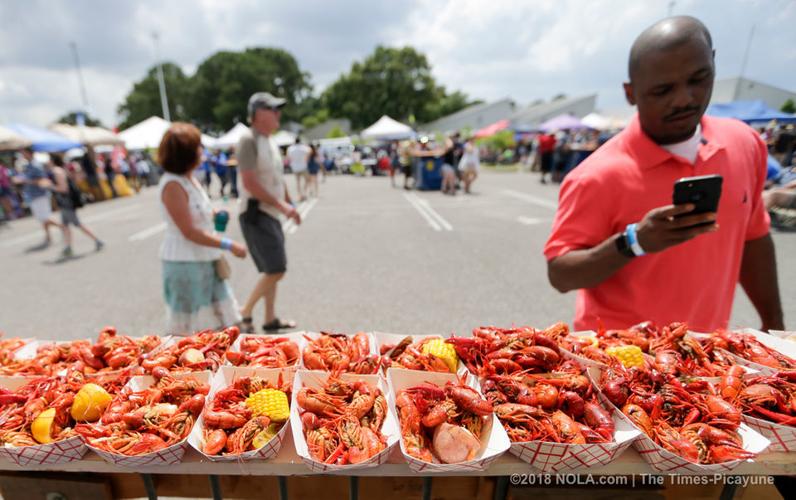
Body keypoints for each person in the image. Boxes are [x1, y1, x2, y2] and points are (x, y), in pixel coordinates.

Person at [544, 16, 784, 334]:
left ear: (713, 63)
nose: (684, 98)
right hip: (621, 360)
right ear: (631, 93)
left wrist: (774, 323)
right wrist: (635, 241)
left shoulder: (745, 143)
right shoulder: (596, 175)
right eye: (663, 90)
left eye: (698, 79)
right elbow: (561, 274)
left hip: (709, 353)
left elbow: (754, 237)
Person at [157, 123, 247, 335]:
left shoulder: (189, 178)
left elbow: (196, 212)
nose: (201, 151)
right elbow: (189, 231)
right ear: (186, 153)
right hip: (185, 261)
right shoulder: (172, 185)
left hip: (204, 259)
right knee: (193, 331)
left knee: (220, 325)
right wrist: (229, 244)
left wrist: (214, 213)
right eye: (198, 146)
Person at [237, 92, 302, 333]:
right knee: (276, 268)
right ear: (257, 113)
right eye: (272, 109)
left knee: (271, 269)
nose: (278, 114)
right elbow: (250, 182)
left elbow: (277, 178)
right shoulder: (248, 140)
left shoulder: (270, 140)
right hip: (256, 212)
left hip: (271, 212)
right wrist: (283, 205)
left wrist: (288, 202)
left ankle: (270, 317)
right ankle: (244, 311)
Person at [50, 155, 104, 257]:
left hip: (66, 203)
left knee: (77, 224)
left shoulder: (58, 171)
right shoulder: (63, 170)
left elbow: (63, 188)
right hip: (65, 203)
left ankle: (97, 240)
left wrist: (51, 186)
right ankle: (68, 247)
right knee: (65, 226)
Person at [20, 147, 64, 246]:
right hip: (34, 195)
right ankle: (48, 236)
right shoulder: (29, 165)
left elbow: (42, 180)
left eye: (24, 153)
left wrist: (26, 181)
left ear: (29, 153)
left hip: (40, 194)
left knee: (44, 217)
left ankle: (62, 227)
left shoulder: (36, 165)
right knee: (42, 218)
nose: (22, 156)